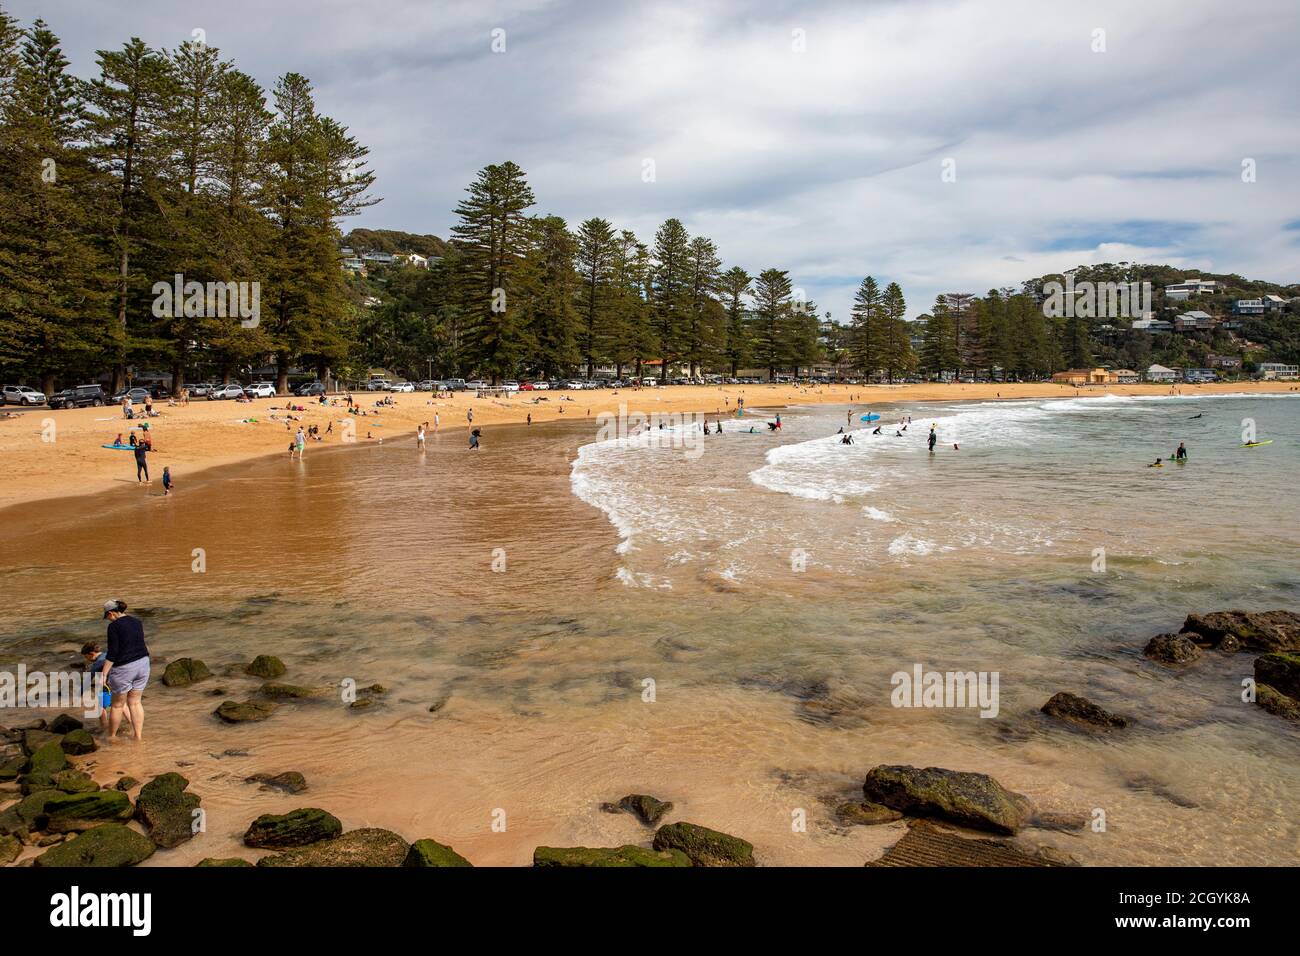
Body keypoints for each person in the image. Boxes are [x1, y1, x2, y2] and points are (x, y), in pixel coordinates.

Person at [100, 600, 149, 741]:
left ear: (110, 613)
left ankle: (112, 736)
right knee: (135, 702)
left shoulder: (113, 627)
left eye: (107, 617)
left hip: (125, 667)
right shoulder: (136, 621)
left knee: (117, 705)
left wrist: (103, 674)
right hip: (143, 663)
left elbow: (112, 653)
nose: (108, 620)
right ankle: (138, 737)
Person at [81, 642, 132, 735]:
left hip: (107, 686)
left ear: (91, 654)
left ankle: (104, 728)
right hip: (121, 682)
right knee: (122, 704)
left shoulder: (98, 663)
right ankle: (131, 723)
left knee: (101, 707)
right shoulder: (106, 655)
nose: (86, 659)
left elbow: (88, 679)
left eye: (86, 657)